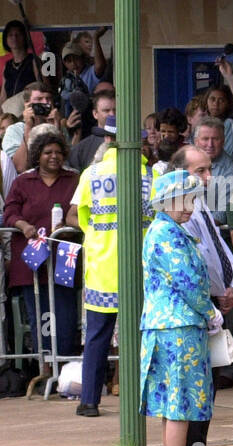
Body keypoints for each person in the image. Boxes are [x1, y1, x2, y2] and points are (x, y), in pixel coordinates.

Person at [172, 145, 233, 446]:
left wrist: (232, 283)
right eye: (200, 171)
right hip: (195, 309)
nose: (209, 177)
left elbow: (220, 249)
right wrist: (214, 296)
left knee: (210, 382)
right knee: (194, 385)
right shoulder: (177, 214)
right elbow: (194, 264)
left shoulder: (199, 204)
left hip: (214, 303)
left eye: (209, 170)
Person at [140, 169, 218, 446]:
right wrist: (210, 311)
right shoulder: (167, 234)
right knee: (180, 403)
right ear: (168, 200)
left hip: (170, 326)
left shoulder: (165, 230)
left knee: (175, 403)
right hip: (177, 328)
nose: (190, 207)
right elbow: (188, 282)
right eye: (186, 200)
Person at [66, 130, 153, 417]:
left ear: (108, 144)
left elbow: (80, 216)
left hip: (102, 268)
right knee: (142, 338)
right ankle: (143, 400)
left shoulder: (92, 174)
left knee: (97, 337)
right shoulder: (149, 177)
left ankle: (89, 401)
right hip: (139, 270)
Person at [3, 130, 80, 379]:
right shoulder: (23, 182)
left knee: (66, 315)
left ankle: (67, 370)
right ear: (38, 155)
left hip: (64, 258)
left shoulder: (73, 179)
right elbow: (9, 212)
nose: (54, 157)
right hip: (32, 261)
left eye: (58, 152)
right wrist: (24, 226)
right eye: (48, 152)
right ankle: (44, 368)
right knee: (39, 314)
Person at [5, 83, 71, 172]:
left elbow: (65, 163)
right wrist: (28, 126)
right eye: (39, 99)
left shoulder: (59, 127)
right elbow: (20, 167)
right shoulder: (14, 130)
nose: (45, 102)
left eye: (48, 99)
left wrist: (56, 128)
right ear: (27, 104)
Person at [67, 90, 114, 171]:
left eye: (116, 110)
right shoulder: (81, 148)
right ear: (95, 114)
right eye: (106, 110)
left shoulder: (133, 142)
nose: (112, 114)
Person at [202, 84, 233, 165]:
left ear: (228, 104)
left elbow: (229, 157)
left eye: (221, 100)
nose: (216, 104)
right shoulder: (202, 124)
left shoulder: (229, 125)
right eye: (212, 99)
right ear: (206, 101)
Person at [2, 20, 42, 100]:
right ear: (6, 39)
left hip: (29, 109)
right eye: (10, 35)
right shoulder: (8, 65)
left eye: (18, 34)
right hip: (10, 110)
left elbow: (44, 87)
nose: (14, 38)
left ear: (24, 37)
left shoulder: (34, 61)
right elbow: (3, 95)